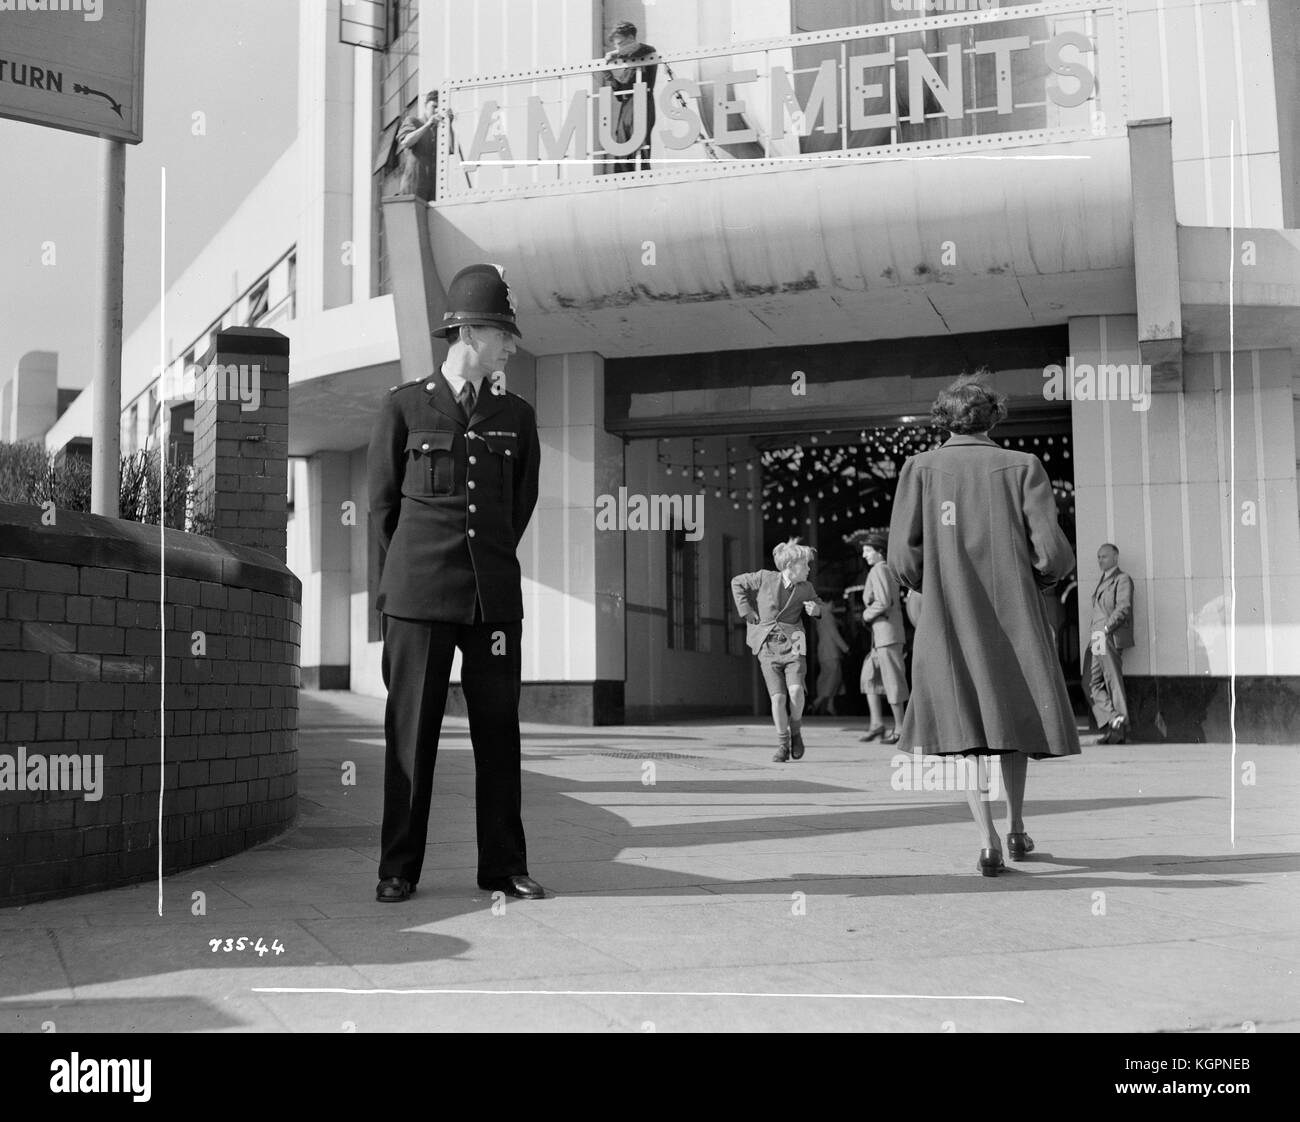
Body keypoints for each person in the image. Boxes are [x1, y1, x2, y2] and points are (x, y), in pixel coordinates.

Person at [367, 263, 545, 903]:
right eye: (503, 333)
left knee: (499, 731)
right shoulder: (405, 407)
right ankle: (398, 869)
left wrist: (485, 562)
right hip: (418, 597)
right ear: (469, 331)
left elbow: (517, 507)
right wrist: (415, 575)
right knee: (411, 731)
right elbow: (383, 510)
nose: (512, 346)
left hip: (491, 599)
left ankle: (503, 867)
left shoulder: (516, 418)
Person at [888, 373, 1080, 876]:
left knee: (966, 727)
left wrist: (934, 583)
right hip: (1014, 614)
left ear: (943, 418)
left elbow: (903, 556)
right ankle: (1017, 828)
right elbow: (1054, 551)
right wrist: (1040, 580)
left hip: (949, 613)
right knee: (1013, 720)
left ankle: (988, 840)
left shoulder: (919, 469)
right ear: (993, 416)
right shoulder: (1023, 466)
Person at [731, 539, 822, 762]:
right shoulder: (764, 577)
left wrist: (816, 609)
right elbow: (736, 582)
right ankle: (783, 744)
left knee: (796, 692)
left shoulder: (806, 588)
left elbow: (819, 604)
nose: (809, 569)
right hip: (767, 645)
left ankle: (797, 730)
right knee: (779, 698)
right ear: (791, 565)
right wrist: (746, 611)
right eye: (806, 565)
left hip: (795, 644)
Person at [858, 532, 909, 744]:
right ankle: (877, 724)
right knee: (869, 676)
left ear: (879, 552)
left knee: (892, 681)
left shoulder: (879, 570)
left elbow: (884, 601)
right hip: (881, 636)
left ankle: (901, 728)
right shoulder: (883, 569)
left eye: (868, 550)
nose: (864, 554)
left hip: (887, 635)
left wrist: (865, 615)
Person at [1082, 543, 1134, 743]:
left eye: (1104, 556)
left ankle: (1120, 731)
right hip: (1098, 637)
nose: (1100, 560)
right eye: (1098, 557)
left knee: (1112, 680)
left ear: (1115, 557)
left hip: (1107, 635)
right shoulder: (1104, 580)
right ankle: (1114, 719)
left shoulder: (1122, 579)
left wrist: (1105, 630)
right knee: (1091, 681)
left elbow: (1123, 607)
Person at [597, 21, 658, 173]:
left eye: (620, 43)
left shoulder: (646, 52)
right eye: (616, 45)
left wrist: (616, 54)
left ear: (631, 38)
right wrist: (608, 74)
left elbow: (643, 49)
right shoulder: (630, 63)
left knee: (641, 146)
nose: (618, 48)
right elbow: (621, 92)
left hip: (641, 104)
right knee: (621, 149)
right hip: (627, 107)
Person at [396, 91, 446, 201]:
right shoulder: (413, 121)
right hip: (412, 190)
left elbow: (451, 151)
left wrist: (449, 125)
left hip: (432, 194)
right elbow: (405, 141)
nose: (437, 110)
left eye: (440, 108)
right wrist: (428, 125)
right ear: (425, 106)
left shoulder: (440, 132)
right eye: (434, 106)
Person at [809, 605, 850, 715]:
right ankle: (817, 702)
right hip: (831, 652)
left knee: (829, 678)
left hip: (824, 653)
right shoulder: (827, 615)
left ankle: (830, 705)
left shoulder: (819, 614)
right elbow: (834, 634)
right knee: (834, 679)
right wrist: (845, 648)